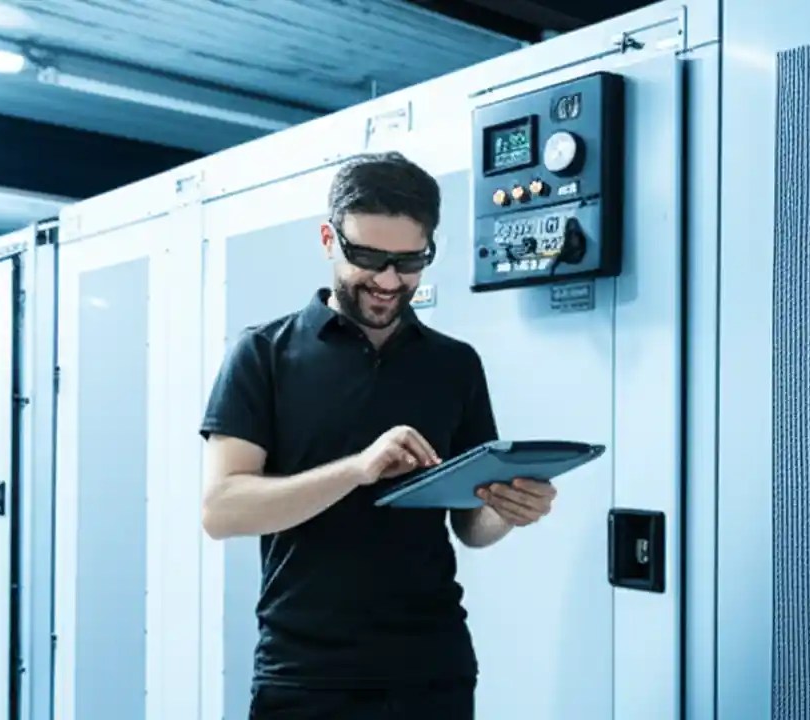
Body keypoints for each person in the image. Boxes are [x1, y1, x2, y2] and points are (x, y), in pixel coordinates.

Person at [198, 151, 558, 719]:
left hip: (433, 670)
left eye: (410, 260)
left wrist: (509, 509)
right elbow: (222, 510)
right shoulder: (263, 355)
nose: (389, 281)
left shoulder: (455, 365)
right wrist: (356, 469)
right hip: (306, 675)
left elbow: (471, 525)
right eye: (367, 257)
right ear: (328, 239)